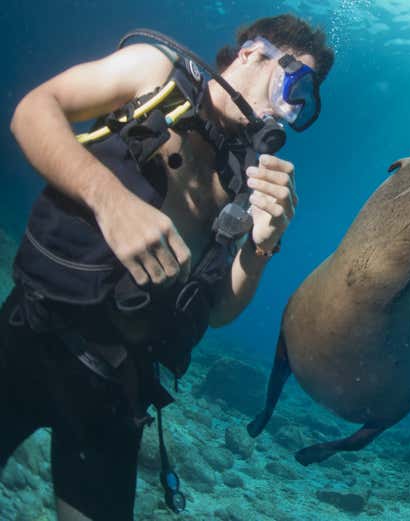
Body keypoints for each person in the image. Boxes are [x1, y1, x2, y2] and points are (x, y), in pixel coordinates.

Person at [1, 14, 334, 521]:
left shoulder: (245, 175)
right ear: (251, 53)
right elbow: (33, 110)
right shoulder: (153, 71)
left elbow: (218, 311)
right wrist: (108, 199)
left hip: (120, 385)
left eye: (304, 104)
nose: (290, 110)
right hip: (35, 334)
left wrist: (261, 248)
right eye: (295, 85)